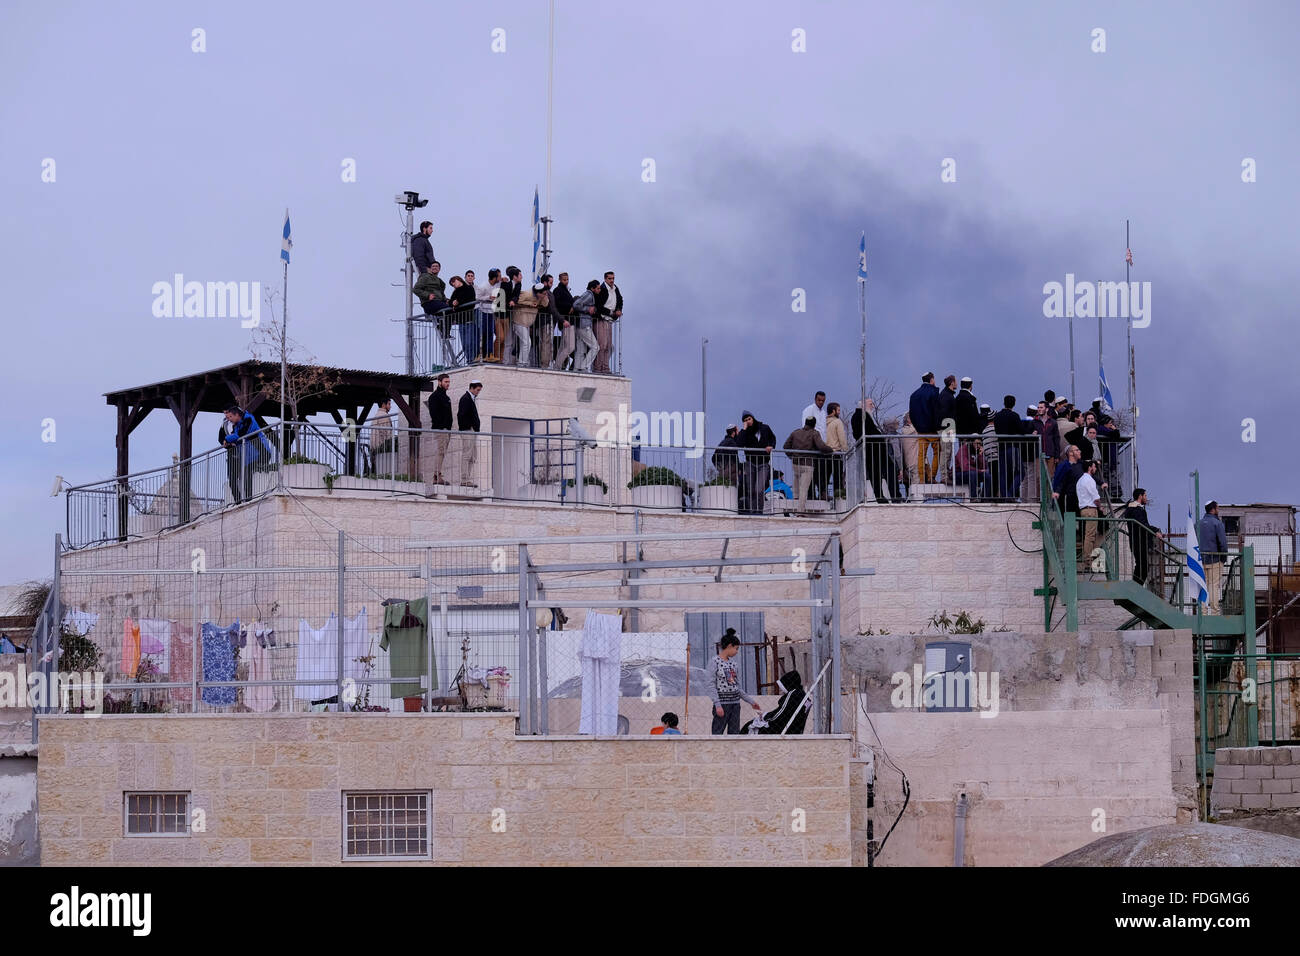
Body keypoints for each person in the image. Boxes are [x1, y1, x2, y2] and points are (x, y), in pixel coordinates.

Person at [706, 629, 761, 735]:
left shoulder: (734, 664)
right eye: (736, 648)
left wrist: (751, 702)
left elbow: (737, 687)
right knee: (717, 733)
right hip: (722, 705)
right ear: (730, 646)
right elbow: (710, 685)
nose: (737, 651)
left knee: (735, 734)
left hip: (735, 705)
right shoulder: (714, 662)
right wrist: (717, 704)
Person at [218, 405, 273, 502]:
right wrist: (230, 442)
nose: (229, 419)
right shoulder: (236, 425)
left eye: (230, 416)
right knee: (244, 476)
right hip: (249, 457)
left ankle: (249, 499)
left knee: (247, 474)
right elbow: (237, 438)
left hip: (261, 453)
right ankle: (246, 500)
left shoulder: (249, 419)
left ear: (236, 415)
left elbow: (242, 434)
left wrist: (227, 439)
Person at [783, 416, 832, 514]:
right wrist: (831, 450)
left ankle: (794, 505)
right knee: (804, 488)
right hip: (807, 464)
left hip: (795, 464)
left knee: (796, 486)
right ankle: (800, 512)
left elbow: (785, 446)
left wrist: (792, 456)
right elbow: (821, 446)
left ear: (805, 423)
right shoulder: (814, 433)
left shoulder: (795, 432)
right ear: (814, 424)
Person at [740, 670, 808, 735]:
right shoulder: (801, 694)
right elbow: (781, 712)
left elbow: (780, 713)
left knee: (748, 726)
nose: (781, 691)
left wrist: (764, 717)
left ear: (788, 685)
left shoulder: (792, 695)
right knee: (752, 724)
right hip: (790, 727)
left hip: (782, 728)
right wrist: (766, 715)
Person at [737, 411, 776, 515]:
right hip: (750, 463)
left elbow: (773, 438)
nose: (748, 421)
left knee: (759, 489)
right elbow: (739, 444)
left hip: (763, 463)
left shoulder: (764, 428)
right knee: (750, 490)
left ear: (753, 418)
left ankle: (759, 511)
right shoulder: (745, 433)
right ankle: (753, 511)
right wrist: (744, 429)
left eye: (749, 419)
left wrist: (771, 446)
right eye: (745, 420)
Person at [992, 395, 1027, 500]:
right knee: (1020, 472)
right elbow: (1021, 431)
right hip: (1012, 447)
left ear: (1004, 403)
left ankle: (1005, 495)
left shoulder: (997, 416)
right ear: (1014, 403)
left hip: (1001, 447)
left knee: (1003, 473)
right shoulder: (1014, 416)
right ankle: (1010, 494)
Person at [908, 372, 941, 482]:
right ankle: (932, 476)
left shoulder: (914, 395)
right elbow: (936, 412)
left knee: (921, 455)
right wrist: (937, 427)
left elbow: (911, 414)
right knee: (938, 451)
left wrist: (917, 427)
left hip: (920, 430)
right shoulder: (933, 392)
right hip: (932, 429)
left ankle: (922, 479)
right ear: (932, 379)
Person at [1122, 488, 1160, 585]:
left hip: (1138, 541)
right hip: (1139, 541)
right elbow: (1142, 524)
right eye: (1145, 496)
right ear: (1140, 496)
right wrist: (1155, 530)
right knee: (1142, 566)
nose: (1146, 498)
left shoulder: (1134, 508)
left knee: (1141, 566)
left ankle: (1135, 587)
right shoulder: (1135, 509)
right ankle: (1135, 587)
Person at [1199, 500, 1228, 613]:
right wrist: (1223, 558)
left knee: (1203, 585)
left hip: (1201, 559)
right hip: (1215, 560)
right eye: (1218, 508)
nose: (1218, 510)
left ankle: (1203, 611)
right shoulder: (1217, 523)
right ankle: (1215, 611)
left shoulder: (1198, 523)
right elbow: (1223, 543)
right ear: (1213, 509)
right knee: (1214, 585)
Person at [425, 373, 454, 485]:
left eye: (449, 382)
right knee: (440, 452)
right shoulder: (434, 397)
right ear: (439, 382)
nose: (448, 384)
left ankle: (438, 475)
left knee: (442, 453)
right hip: (440, 429)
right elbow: (434, 414)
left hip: (447, 429)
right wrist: (442, 427)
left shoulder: (446, 397)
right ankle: (437, 476)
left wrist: (449, 427)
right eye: (446, 382)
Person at [1076, 459, 1106, 563]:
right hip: (1090, 509)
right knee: (1090, 535)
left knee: (1088, 534)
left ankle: (1090, 556)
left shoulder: (1080, 480)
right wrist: (1100, 507)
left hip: (1083, 509)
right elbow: (1096, 498)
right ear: (1089, 468)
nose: (1095, 468)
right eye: (1094, 466)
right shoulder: (1089, 480)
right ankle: (1088, 558)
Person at [593, 270, 622, 374]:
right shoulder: (602, 289)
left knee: (608, 345)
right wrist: (611, 312)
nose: (612, 280)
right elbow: (599, 306)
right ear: (605, 279)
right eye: (610, 278)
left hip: (609, 320)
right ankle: (597, 368)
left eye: (613, 278)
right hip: (601, 319)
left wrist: (619, 310)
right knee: (602, 344)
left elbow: (620, 300)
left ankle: (605, 368)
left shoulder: (615, 288)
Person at [456, 379, 483, 487]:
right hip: (468, 430)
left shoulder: (470, 399)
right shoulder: (466, 399)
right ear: (471, 388)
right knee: (467, 455)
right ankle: (464, 479)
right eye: (477, 390)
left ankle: (467, 478)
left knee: (473, 456)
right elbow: (461, 415)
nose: (478, 392)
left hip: (471, 430)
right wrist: (468, 427)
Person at [570, 280, 600, 373]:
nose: (599, 290)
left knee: (580, 349)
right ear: (592, 288)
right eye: (598, 288)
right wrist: (588, 309)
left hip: (581, 324)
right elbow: (576, 304)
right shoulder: (589, 294)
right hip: (584, 324)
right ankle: (584, 367)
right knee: (595, 347)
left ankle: (576, 368)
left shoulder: (589, 294)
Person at [505, 284, 539, 367]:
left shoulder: (540, 297)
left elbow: (546, 304)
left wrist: (544, 297)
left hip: (525, 322)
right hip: (517, 320)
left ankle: (521, 361)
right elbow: (517, 301)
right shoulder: (526, 293)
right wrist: (529, 303)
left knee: (523, 342)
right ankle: (520, 362)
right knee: (523, 342)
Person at [448, 275, 477, 364]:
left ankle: (472, 359)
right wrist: (453, 303)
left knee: (469, 342)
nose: (454, 284)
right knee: (464, 343)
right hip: (460, 320)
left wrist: (457, 303)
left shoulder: (469, 288)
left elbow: (470, 302)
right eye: (452, 284)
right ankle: (469, 360)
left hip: (468, 319)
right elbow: (450, 302)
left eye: (454, 281)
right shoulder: (455, 292)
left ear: (458, 279)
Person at [550, 272, 576, 371]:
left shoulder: (565, 290)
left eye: (567, 279)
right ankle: (557, 366)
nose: (566, 281)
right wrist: (569, 307)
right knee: (570, 347)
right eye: (564, 279)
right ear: (560, 279)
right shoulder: (558, 290)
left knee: (563, 346)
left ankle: (557, 365)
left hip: (568, 320)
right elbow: (558, 304)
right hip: (565, 320)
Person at [935, 374, 958, 483]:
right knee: (946, 451)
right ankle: (944, 476)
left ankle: (946, 475)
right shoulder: (946, 396)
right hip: (946, 428)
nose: (957, 383)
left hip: (947, 427)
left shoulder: (947, 395)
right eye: (955, 381)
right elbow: (944, 413)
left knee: (947, 451)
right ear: (952, 383)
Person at [825, 402, 850, 502]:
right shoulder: (837, 422)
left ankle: (824, 496)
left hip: (825, 454)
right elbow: (842, 438)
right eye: (838, 410)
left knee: (825, 478)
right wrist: (846, 450)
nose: (839, 412)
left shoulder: (823, 422)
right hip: (836, 453)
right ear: (833, 411)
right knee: (838, 479)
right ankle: (838, 500)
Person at [474, 269, 499, 363]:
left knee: (490, 333)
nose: (500, 278)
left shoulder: (497, 284)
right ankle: (480, 354)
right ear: (494, 277)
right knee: (482, 333)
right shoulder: (483, 286)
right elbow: (477, 297)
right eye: (499, 276)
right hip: (482, 311)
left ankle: (490, 354)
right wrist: (488, 298)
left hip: (491, 312)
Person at [367, 398, 394, 476]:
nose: (390, 406)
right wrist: (389, 445)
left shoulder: (376, 416)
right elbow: (387, 434)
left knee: (376, 470)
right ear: (383, 404)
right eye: (389, 404)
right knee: (383, 471)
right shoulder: (384, 416)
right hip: (381, 447)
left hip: (374, 447)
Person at [712, 424, 742, 488]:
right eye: (737, 432)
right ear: (734, 433)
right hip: (729, 470)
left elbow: (713, 458)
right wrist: (739, 469)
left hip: (723, 471)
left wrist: (719, 468)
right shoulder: (732, 442)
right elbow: (735, 457)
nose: (738, 434)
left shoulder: (722, 442)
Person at [900, 412, 919, 495]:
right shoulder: (912, 430)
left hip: (908, 461)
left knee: (912, 483)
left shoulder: (904, 431)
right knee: (916, 484)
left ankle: (912, 499)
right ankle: (917, 502)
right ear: (908, 420)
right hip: (914, 460)